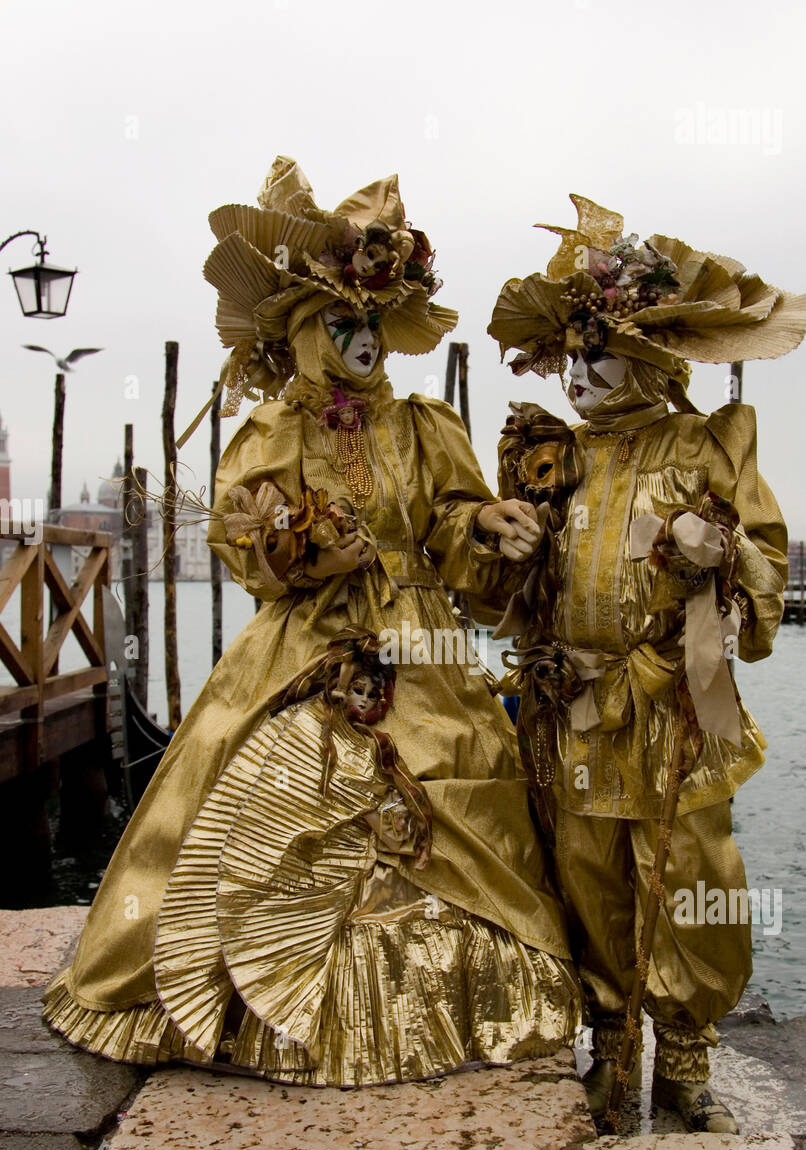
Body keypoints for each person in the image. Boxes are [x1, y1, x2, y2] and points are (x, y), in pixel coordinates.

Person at [43, 157, 580, 1087]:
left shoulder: (423, 424)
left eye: (370, 321)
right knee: (263, 781)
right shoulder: (272, 432)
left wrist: (483, 524)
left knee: (457, 774)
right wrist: (293, 550)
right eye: (342, 322)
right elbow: (244, 545)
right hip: (308, 641)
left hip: (422, 641)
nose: (363, 339)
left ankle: (457, 995)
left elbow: (449, 530)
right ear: (299, 333)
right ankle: (244, 995)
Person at [487, 193, 806, 1132]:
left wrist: (725, 556)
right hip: (571, 702)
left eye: (600, 354)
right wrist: (502, 547)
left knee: (688, 877)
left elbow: (766, 575)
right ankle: (610, 1049)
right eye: (572, 357)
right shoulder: (551, 460)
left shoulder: (704, 443)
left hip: (674, 704)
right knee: (586, 872)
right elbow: (496, 590)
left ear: (647, 353)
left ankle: (683, 1060)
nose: (581, 375)